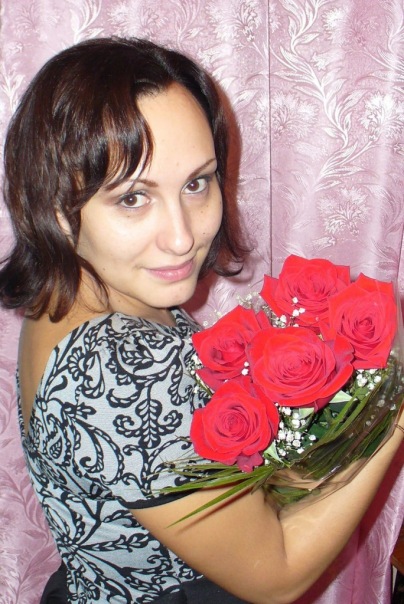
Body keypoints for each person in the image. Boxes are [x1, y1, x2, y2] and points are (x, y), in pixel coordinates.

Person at [0, 37, 402, 604]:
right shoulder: (125, 368)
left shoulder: (78, 296)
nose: (182, 236)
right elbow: (277, 575)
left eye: (196, 183)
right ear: (55, 207)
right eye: (133, 198)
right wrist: (395, 407)